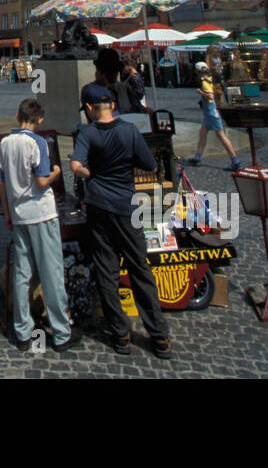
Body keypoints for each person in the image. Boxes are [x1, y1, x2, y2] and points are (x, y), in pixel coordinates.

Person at [70, 92, 172, 359]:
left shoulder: (88, 133)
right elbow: (150, 165)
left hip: (99, 207)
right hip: (127, 207)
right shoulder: (129, 131)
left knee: (107, 271)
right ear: (113, 106)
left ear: (91, 108)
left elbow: (75, 165)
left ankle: (121, 334)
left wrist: (91, 175)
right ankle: (159, 336)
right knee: (140, 268)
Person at [0, 98, 78, 353]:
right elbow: (42, 182)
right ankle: (62, 332)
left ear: (17, 115)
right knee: (51, 271)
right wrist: (55, 171)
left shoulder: (4, 144)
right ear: (40, 120)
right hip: (41, 213)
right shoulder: (38, 142)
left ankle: (22, 331)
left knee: (23, 273)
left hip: (19, 214)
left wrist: (7, 212)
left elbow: (0, 182)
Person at [187, 62, 240, 170]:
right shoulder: (209, 79)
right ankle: (197, 157)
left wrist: (201, 93)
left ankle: (235, 161)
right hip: (209, 113)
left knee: (221, 136)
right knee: (202, 133)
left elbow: (210, 96)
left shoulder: (204, 83)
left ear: (198, 72)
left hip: (211, 113)